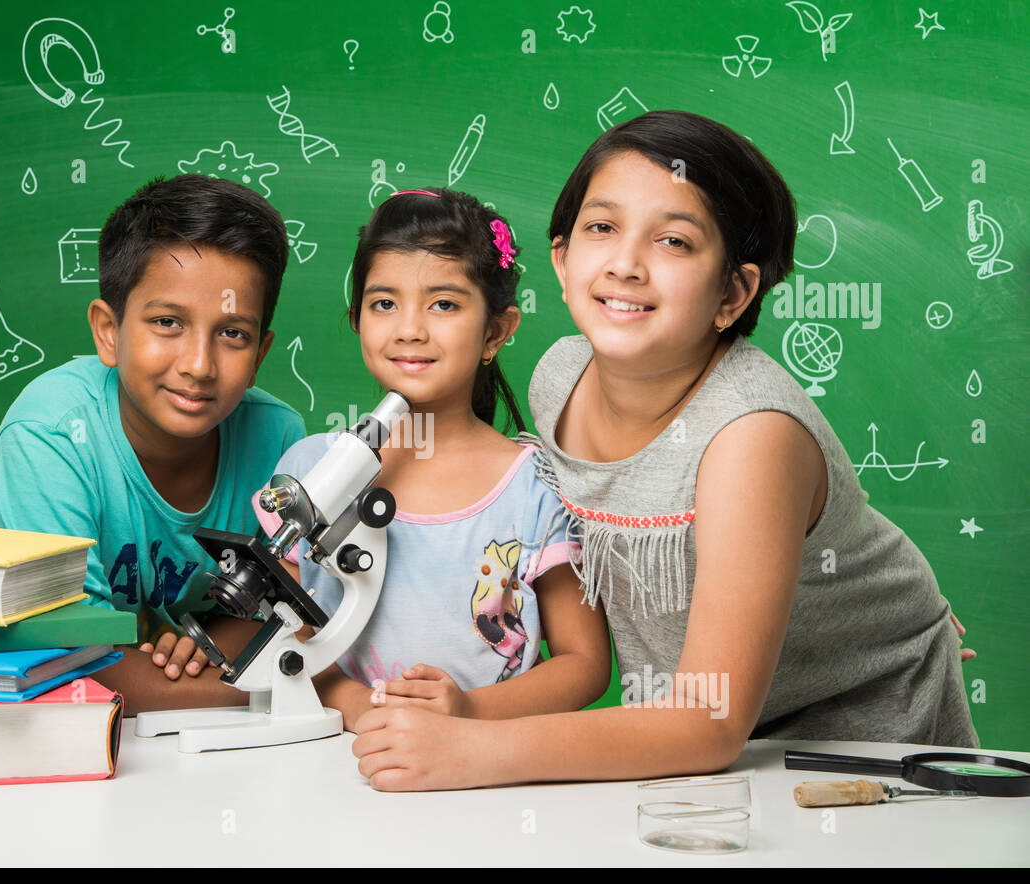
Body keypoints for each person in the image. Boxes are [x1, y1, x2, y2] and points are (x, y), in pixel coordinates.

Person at [352, 111, 979, 790]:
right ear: (561, 261)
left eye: (674, 241)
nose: (626, 262)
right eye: (602, 227)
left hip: (853, 740)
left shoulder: (750, 436)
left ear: (733, 293)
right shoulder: (558, 379)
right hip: (683, 744)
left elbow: (708, 721)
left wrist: (475, 747)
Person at [247, 188, 609, 729]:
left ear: (495, 332)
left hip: (484, 771)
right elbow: (279, 625)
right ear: (356, 319)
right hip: (332, 756)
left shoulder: (536, 487)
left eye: (444, 304)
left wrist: (466, 714)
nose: (410, 328)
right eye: (384, 303)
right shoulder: (309, 471)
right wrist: (359, 712)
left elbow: (585, 665)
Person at [0, 174, 304, 715]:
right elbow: (75, 663)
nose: (198, 365)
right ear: (108, 331)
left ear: (261, 352)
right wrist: (303, 690)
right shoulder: (51, 437)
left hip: (165, 725)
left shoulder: (280, 441)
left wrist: (202, 643)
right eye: (167, 322)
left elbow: (277, 616)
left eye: (232, 333)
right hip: (0, 703)